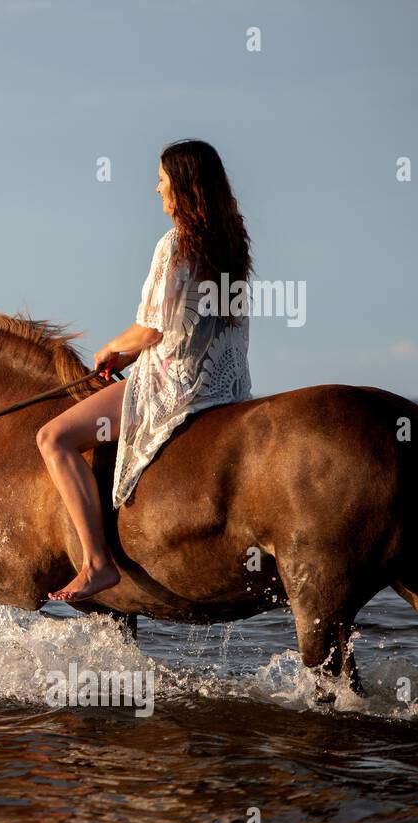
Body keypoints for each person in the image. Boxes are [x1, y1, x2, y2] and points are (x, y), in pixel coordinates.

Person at [36, 139, 254, 602]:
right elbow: (192, 322)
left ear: (182, 185)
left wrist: (111, 350)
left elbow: (151, 329)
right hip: (229, 387)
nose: (157, 189)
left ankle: (97, 563)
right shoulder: (232, 241)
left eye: (162, 179)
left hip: (176, 384)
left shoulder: (175, 243)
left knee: (52, 438)